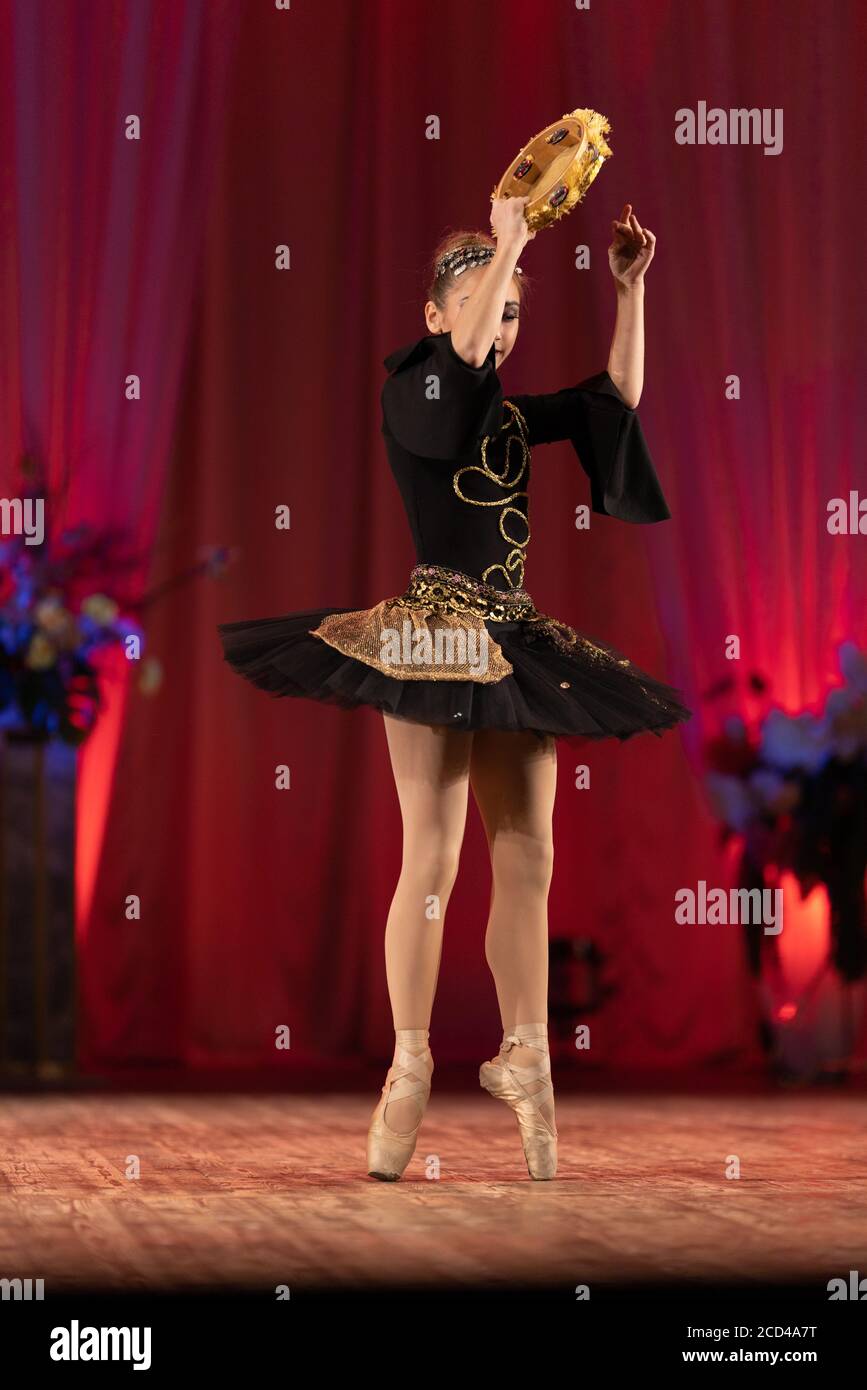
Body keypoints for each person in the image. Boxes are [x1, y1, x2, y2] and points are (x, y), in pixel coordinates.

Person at [218, 195, 691, 1182]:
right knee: (431, 856)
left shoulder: (510, 416)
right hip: (430, 635)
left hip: (511, 636)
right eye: (481, 305)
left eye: (513, 309)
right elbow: (462, 368)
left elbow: (615, 397)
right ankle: (410, 1063)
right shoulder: (414, 391)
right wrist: (509, 238)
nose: (500, 323)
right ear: (435, 315)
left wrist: (629, 291)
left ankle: (528, 1057)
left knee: (530, 854)